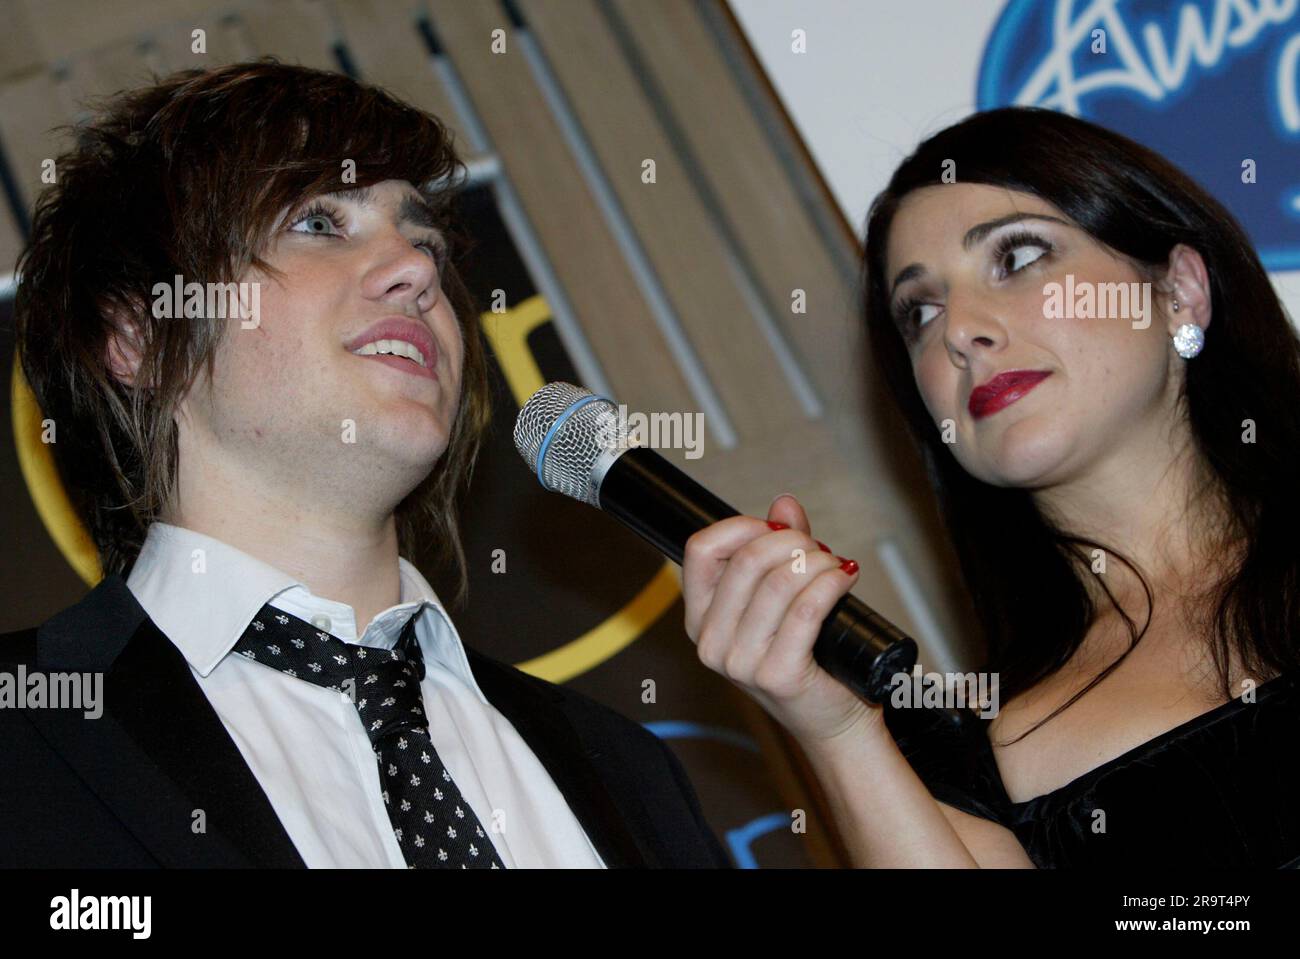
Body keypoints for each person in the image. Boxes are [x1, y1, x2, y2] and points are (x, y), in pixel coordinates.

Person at [0, 58, 728, 869]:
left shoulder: (627, 770)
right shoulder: (24, 732)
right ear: (138, 337)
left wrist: (828, 730)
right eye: (318, 223)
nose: (418, 270)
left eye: (425, 240)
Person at [681, 106, 1300, 868]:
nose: (959, 331)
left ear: (1179, 290)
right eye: (920, 311)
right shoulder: (978, 764)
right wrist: (835, 728)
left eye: (1018, 257)